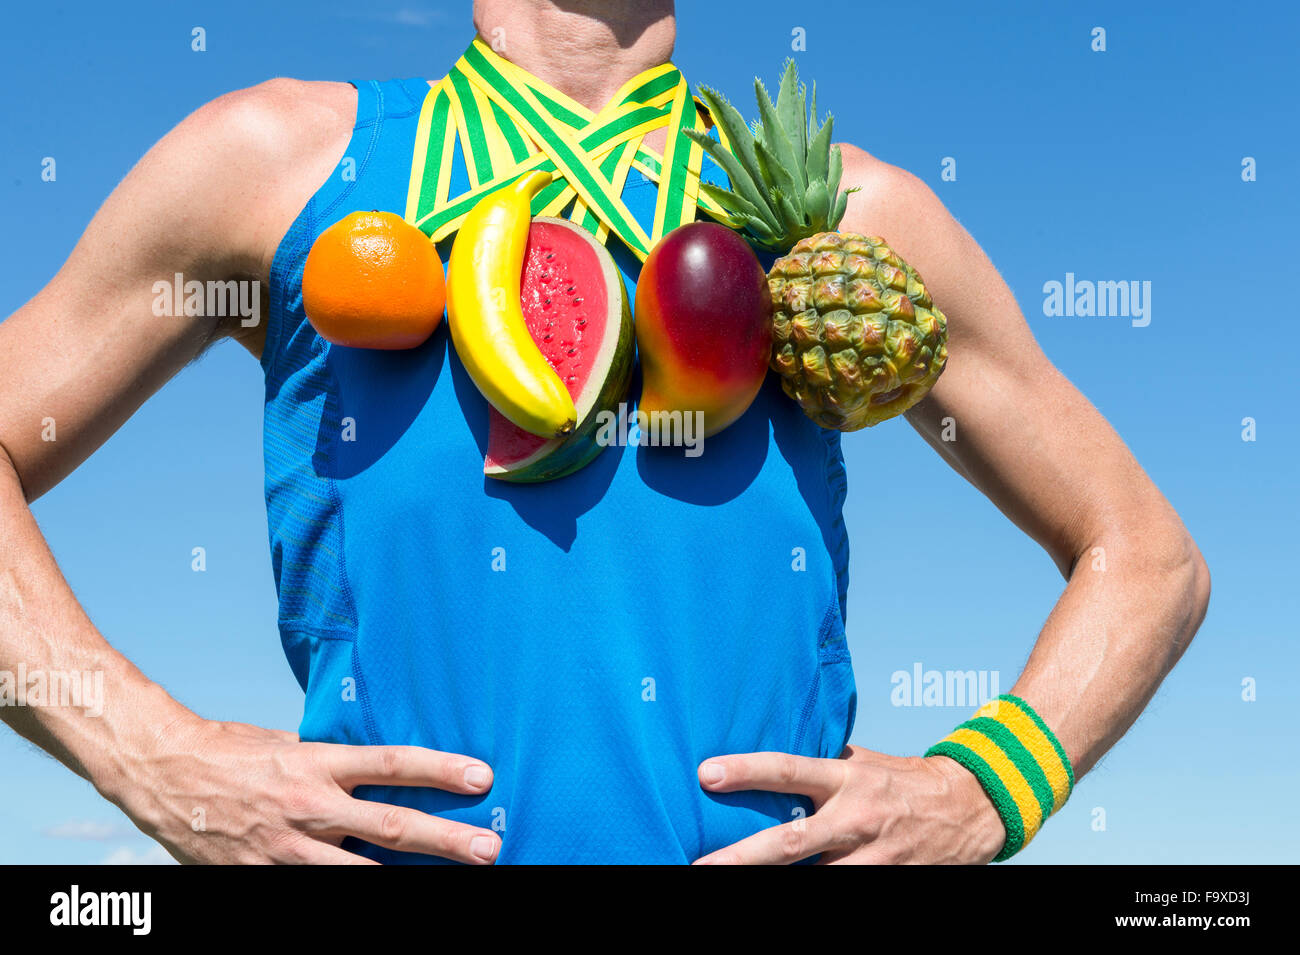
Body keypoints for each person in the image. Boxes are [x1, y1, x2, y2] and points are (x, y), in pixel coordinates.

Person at [0, 0, 1209, 864]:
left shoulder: (849, 221)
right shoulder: (273, 163)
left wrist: (981, 789)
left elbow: (1147, 558)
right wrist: (153, 754)